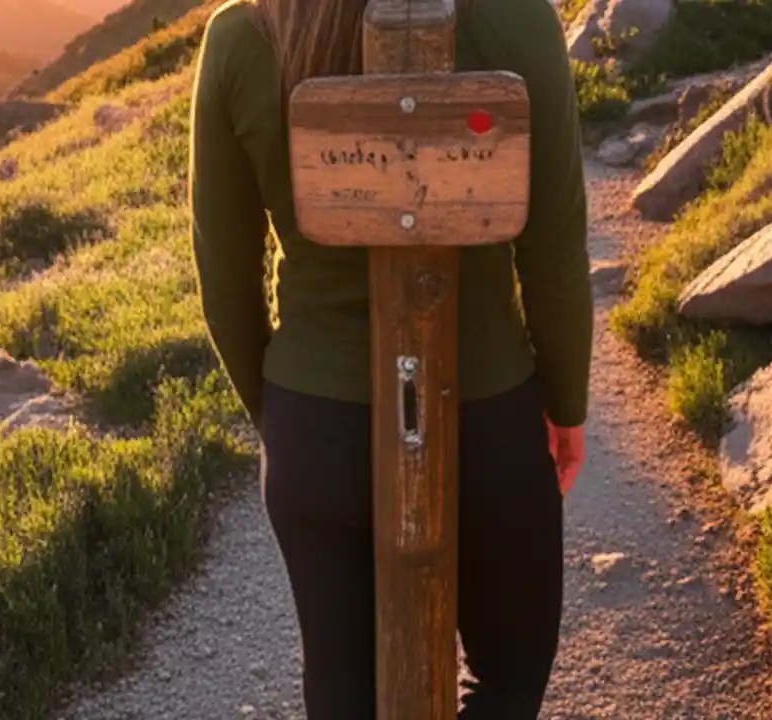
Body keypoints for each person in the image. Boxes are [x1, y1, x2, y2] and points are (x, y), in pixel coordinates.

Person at [189, 0, 591, 715]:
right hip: (489, 418)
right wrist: (566, 406)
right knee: (509, 676)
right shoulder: (518, 21)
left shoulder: (243, 38)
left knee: (345, 696)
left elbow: (225, 287)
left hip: (316, 429)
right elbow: (555, 258)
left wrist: (286, 417)